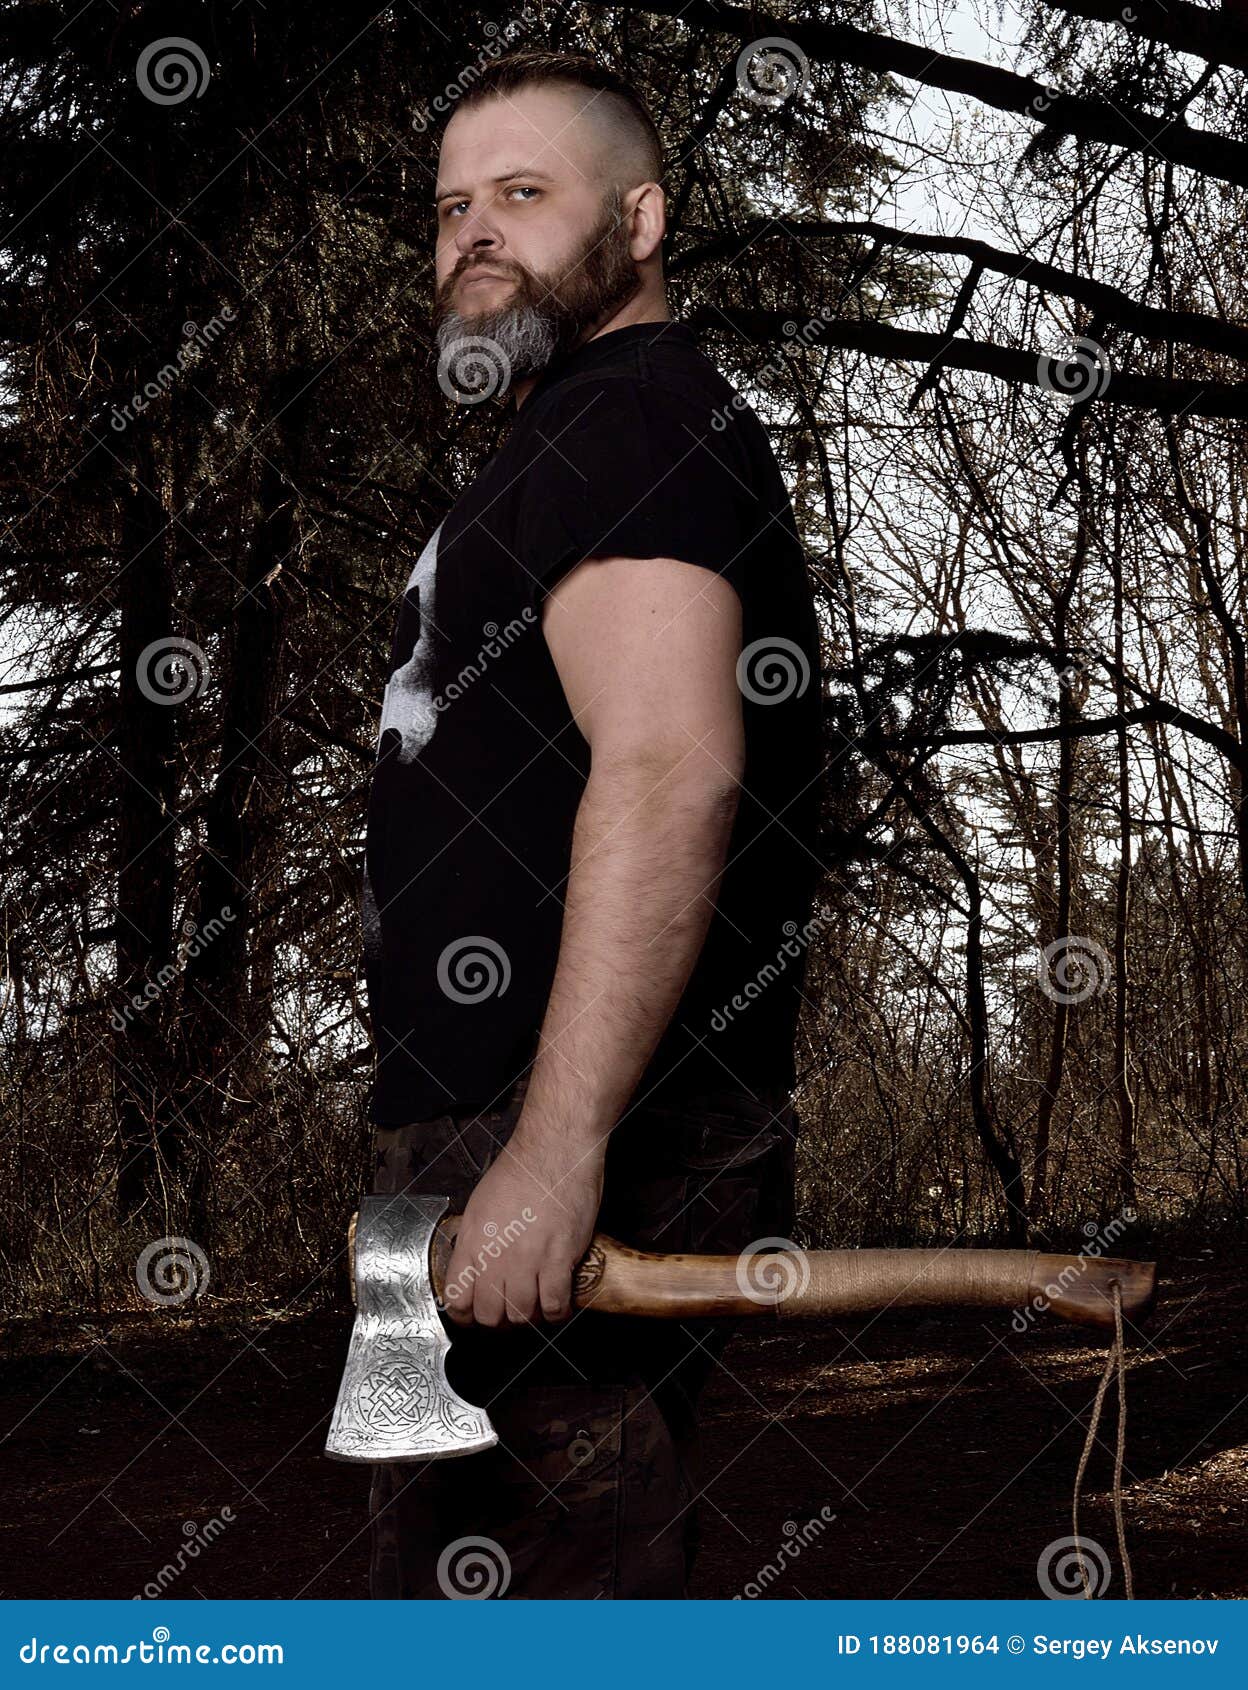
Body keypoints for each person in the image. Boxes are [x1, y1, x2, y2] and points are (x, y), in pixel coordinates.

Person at [361, 48, 823, 1599]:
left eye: (523, 195)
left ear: (642, 220)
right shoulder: (564, 440)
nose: (473, 235)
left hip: (576, 1121)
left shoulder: (638, 423)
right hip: (493, 1120)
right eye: (449, 211)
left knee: (542, 1602)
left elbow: (672, 769)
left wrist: (558, 1152)